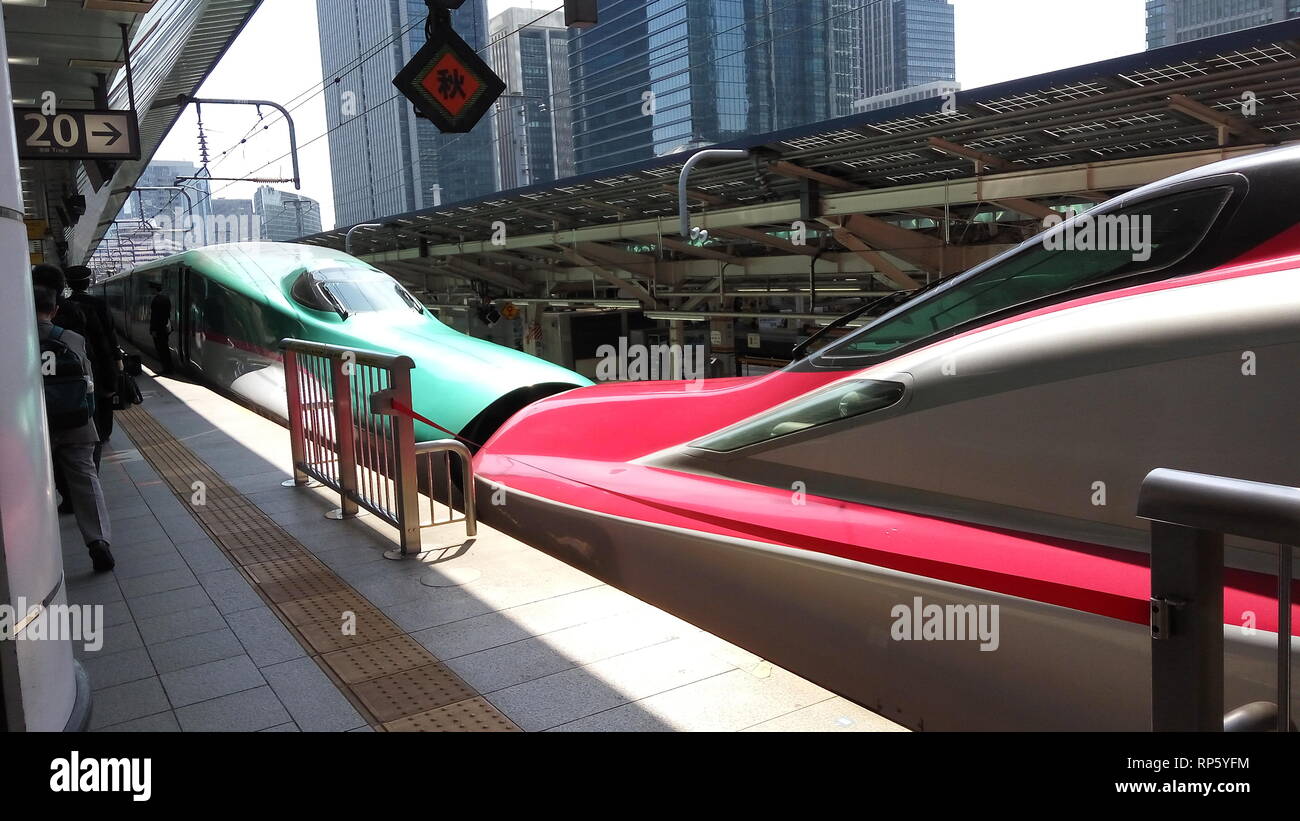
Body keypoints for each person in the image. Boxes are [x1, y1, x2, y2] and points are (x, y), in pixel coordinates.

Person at [35, 286, 115, 572]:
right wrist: (89, 416)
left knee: (30, 487)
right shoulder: (71, 338)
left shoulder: (13, 341)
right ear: (55, 309)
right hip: (75, 422)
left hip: (31, 427)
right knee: (85, 481)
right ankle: (98, 542)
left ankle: (32, 554)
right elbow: (88, 381)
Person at [64, 265, 121, 468]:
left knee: (85, 396)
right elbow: (109, 333)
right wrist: (117, 360)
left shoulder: (64, 306)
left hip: (73, 362)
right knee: (105, 395)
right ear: (88, 282)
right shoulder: (98, 304)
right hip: (99, 360)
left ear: (68, 284)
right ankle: (103, 433)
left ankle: (91, 430)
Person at [148, 282, 173, 374]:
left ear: (155, 289)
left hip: (158, 330)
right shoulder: (166, 298)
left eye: (151, 289)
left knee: (161, 349)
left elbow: (155, 317)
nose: (150, 291)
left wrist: (153, 330)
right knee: (165, 348)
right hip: (165, 328)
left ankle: (166, 369)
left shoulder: (156, 300)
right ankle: (169, 367)